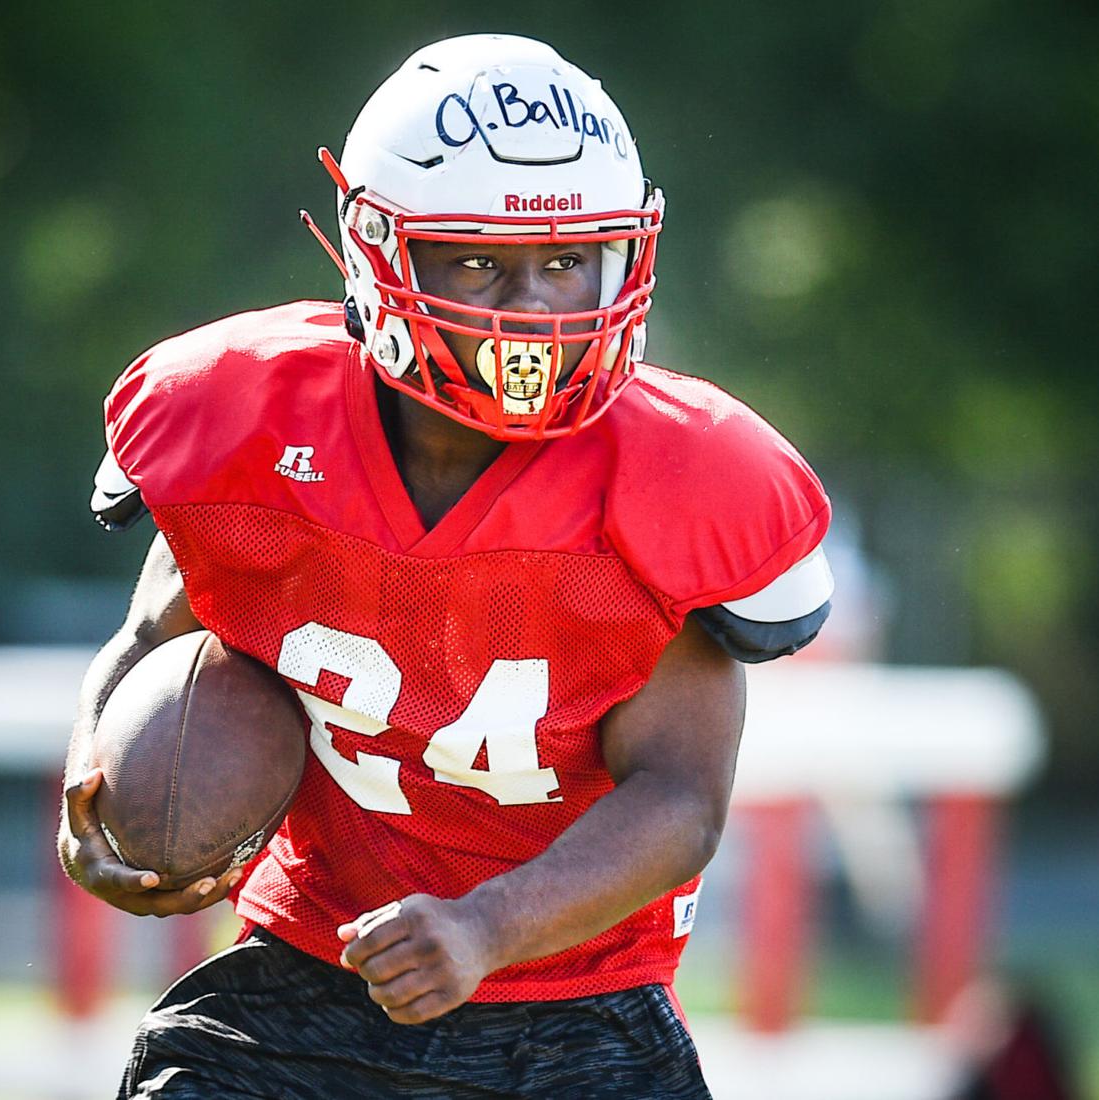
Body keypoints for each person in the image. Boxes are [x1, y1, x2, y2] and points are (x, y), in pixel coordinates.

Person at [59, 33, 834, 1099]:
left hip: (578, 1005)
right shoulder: (246, 422)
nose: (532, 307)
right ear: (378, 250)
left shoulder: (678, 477)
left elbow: (683, 797)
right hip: (305, 969)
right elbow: (152, 640)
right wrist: (90, 793)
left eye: (566, 261)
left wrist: (484, 926)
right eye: (477, 260)